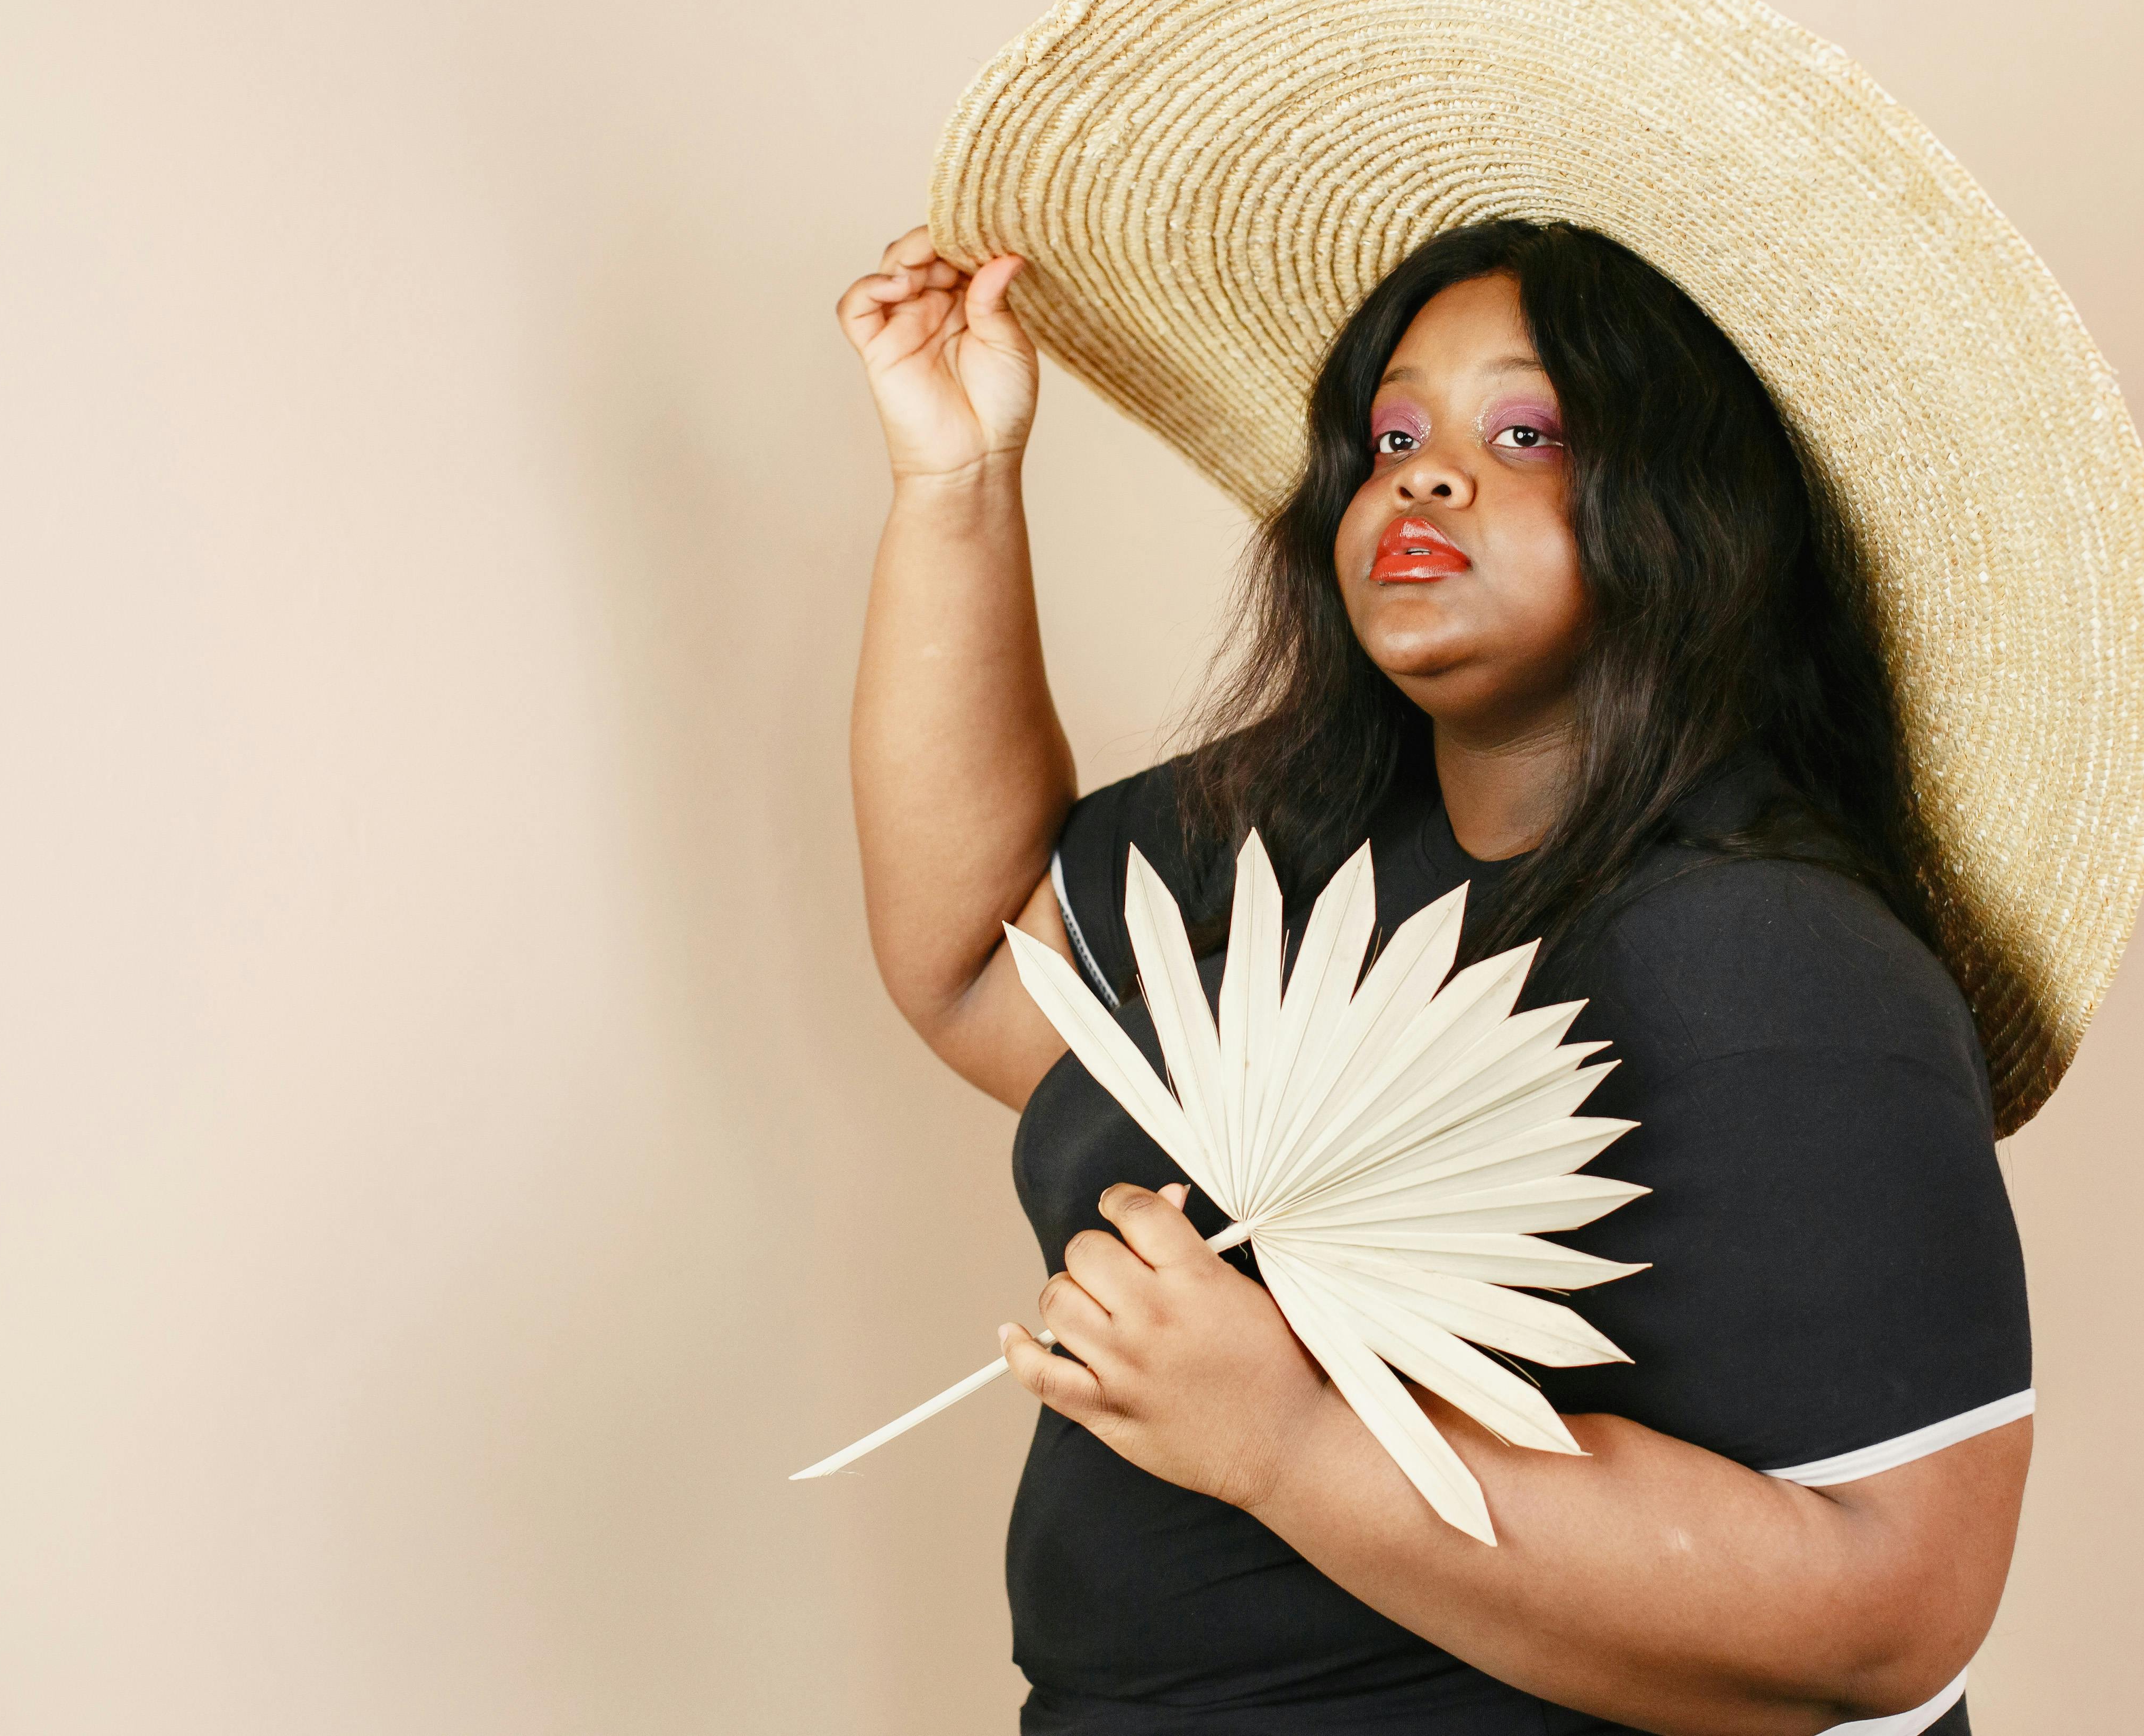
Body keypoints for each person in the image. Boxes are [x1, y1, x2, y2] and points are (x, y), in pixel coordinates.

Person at [834, 216, 2035, 1736]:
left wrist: (1283, 1439)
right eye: (1389, 431)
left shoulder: (1769, 953)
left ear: (1697, 511)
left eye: (1524, 431)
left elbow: (1891, 1613)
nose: (1423, 471)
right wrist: (956, 482)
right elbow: (978, 964)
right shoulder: (1299, 834)